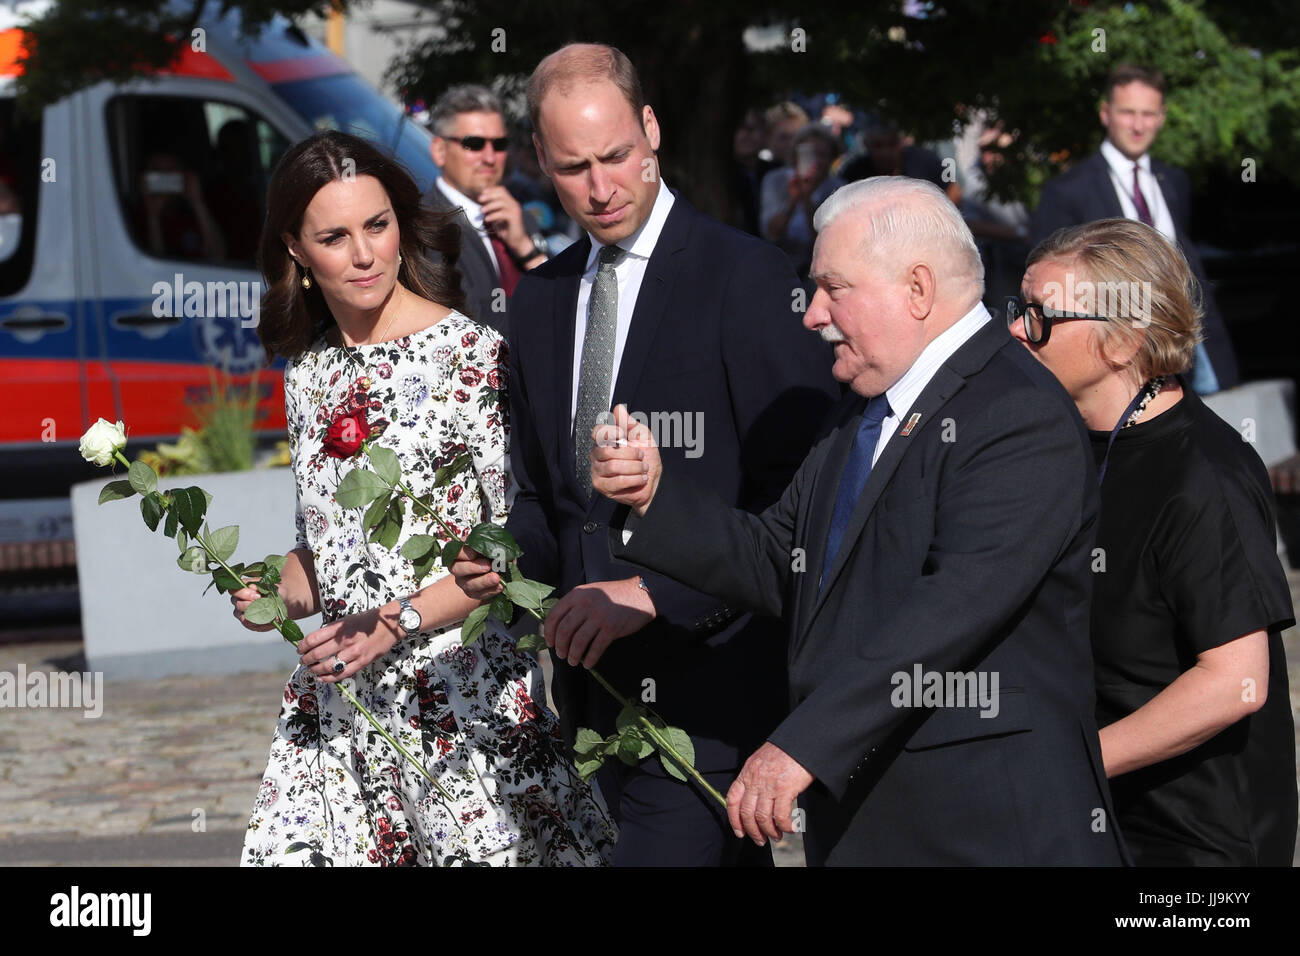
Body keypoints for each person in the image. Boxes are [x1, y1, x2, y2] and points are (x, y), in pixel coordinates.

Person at [590, 176, 1127, 866]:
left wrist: (801, 744)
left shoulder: (1015, 413)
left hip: (986, 829)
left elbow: (950, 610)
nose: (812, 314)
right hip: (875, 820)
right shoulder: (861, 406)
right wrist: (653, 496)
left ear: (917, 289)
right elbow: (781, 558)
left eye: (832, 288)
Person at [449, 43, 839, 867]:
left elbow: (805, 496)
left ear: (651, 129)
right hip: (590, 709)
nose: (601, 187)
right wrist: (502, 560)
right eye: (573, 166)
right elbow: (542, 498)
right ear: (539, 165)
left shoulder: (750, 278)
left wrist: (656, 591)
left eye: (617, 156)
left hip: (714, 703)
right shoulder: (544, 300)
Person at [237, 130, 616, 866]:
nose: (365, 253)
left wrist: (398, 621)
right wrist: (272, 592)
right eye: (335, 236)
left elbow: (511, 546)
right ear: (295, 249)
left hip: (462, 703)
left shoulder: (473, 357)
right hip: (344, 711)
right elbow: (330, 555)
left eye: (377, 226)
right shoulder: (307, 374)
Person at [1009, 218, 1296, 865]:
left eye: (1040, 317)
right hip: (1096, 825)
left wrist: (1066, 768)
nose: (1016, 331)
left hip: (1194, 847)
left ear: (1122, 341)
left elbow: (1236, 683)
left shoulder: (1204, 475)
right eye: (1017, 309)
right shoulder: (1063, 444)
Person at [1030, 64, 1239, 394]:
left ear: (1162, 116)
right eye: (1128, 113)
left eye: (1148, 114)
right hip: (1117, 358)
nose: (1139, 125)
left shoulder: (1174, 181)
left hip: (1189, 348)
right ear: (1105, 113)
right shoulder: (1067, 191)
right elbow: (1049, 285)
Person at [426, 85, 550, 337]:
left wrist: (527, 250)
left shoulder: (521, 218)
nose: (490, 157)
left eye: (500, 144)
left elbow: (566, 305)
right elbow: (471, 329)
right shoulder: (424, 229)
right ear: (440, 150)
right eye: (475, 144)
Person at [760, 122, 845, 278]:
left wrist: (807, 198)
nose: (816, 161)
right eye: (810, 154)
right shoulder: (775, 180)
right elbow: (771, 233)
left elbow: (825, 240)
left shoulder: (839, 189)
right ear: (796, 154)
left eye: (823, 155)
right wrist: (794, 198)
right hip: (778, 266)